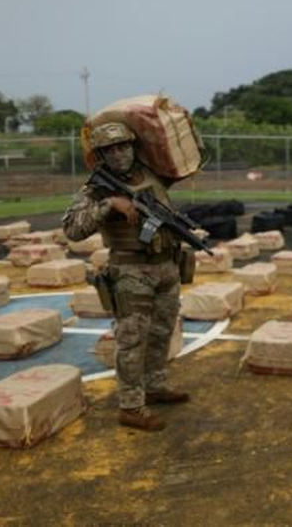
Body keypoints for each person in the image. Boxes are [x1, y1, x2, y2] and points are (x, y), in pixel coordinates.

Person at [62, 121, 191, 432]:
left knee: (161, 332)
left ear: (134, 147)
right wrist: (109, 205)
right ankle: (131, 406)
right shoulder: (96, 189)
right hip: (131, 271)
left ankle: (155, 386)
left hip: (166, 266)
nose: (119, 154)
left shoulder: (153, 175)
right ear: (101, 156)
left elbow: (184, 156)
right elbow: (72, 229)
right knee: (132, 339)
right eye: (110, 150)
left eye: (123, 146)